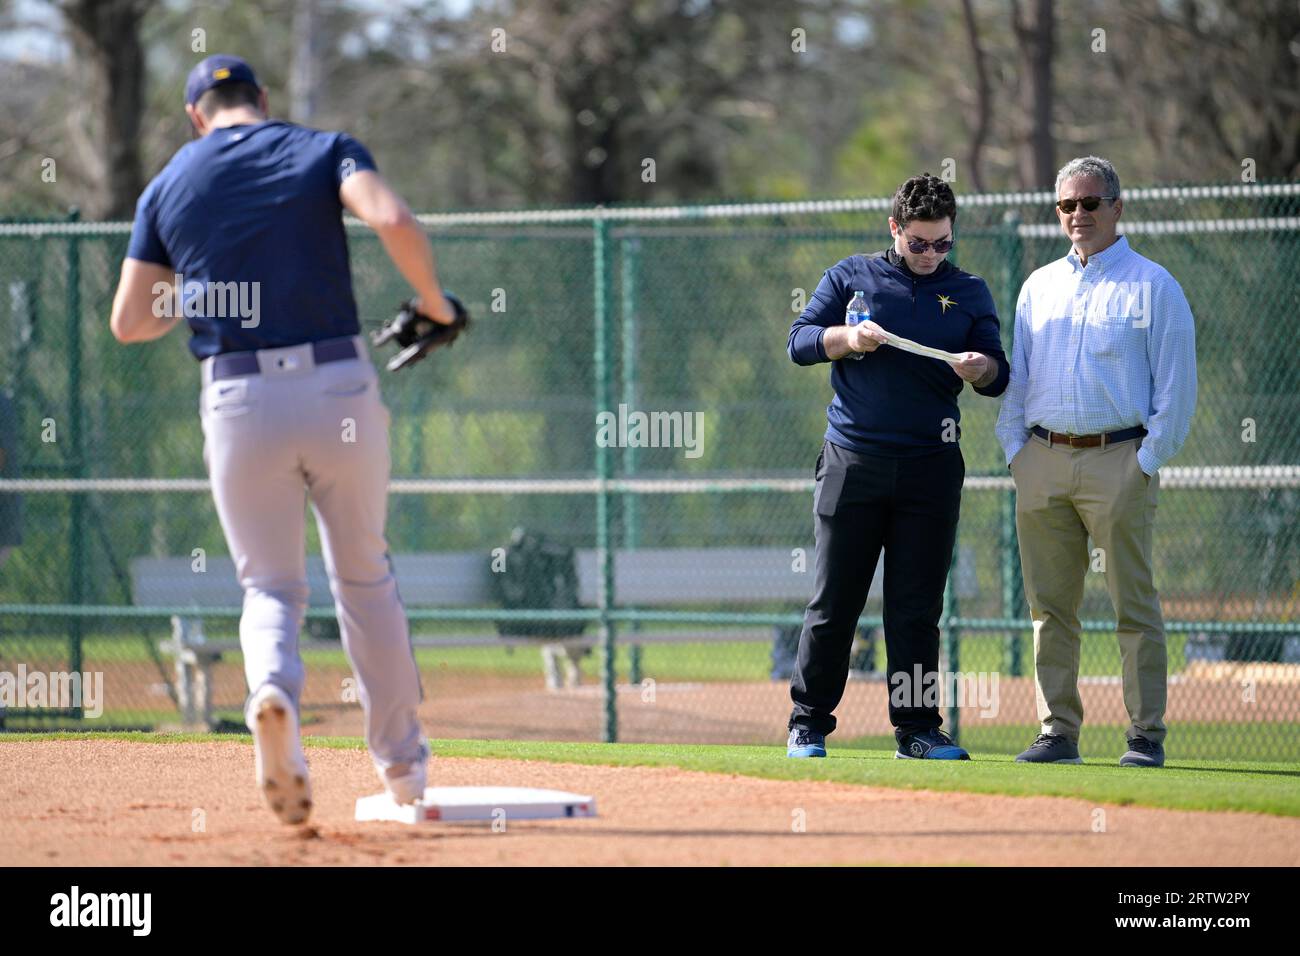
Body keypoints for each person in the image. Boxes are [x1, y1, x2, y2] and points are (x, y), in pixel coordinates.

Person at [110, 54, 458, 822]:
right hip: (336, 384)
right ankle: (404, 776)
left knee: (269, 585)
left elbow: (130, 321)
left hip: (236, 395)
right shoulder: (322, 147)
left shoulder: (169, 182)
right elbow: (392, 219)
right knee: (363, 576)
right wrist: (434, 303)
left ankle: (271, 693)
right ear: (261, 101)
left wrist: (203, 289)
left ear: (197, 115)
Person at [785, 173, 1009, 760]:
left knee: (917, 608)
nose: (932, 255)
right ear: (894, 230)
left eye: (943, 243)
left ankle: (916, 729)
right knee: (836, 601)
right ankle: (808, 721)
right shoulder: (849, 275)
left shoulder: (970, 291)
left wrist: (979, 368)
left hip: (931, 469)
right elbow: (799, 340)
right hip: (851, 462)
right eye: (919, 243)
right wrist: (848, 340)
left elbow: (998, 372)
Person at [995, 156, 1197, 768]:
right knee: (1049, 607)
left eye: (1089, 203)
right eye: (1066, 206)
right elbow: (1018, 379)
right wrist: (1016, 454)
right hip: (1043, 460)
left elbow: (1177, 388)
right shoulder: (1038, 286)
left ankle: (1145, 735)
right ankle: (1058, 732)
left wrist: (1147, 458)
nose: (1077, 215)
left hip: (1120, 459)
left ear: (1117, 207)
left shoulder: (1153, 286)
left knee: (1132, 605)